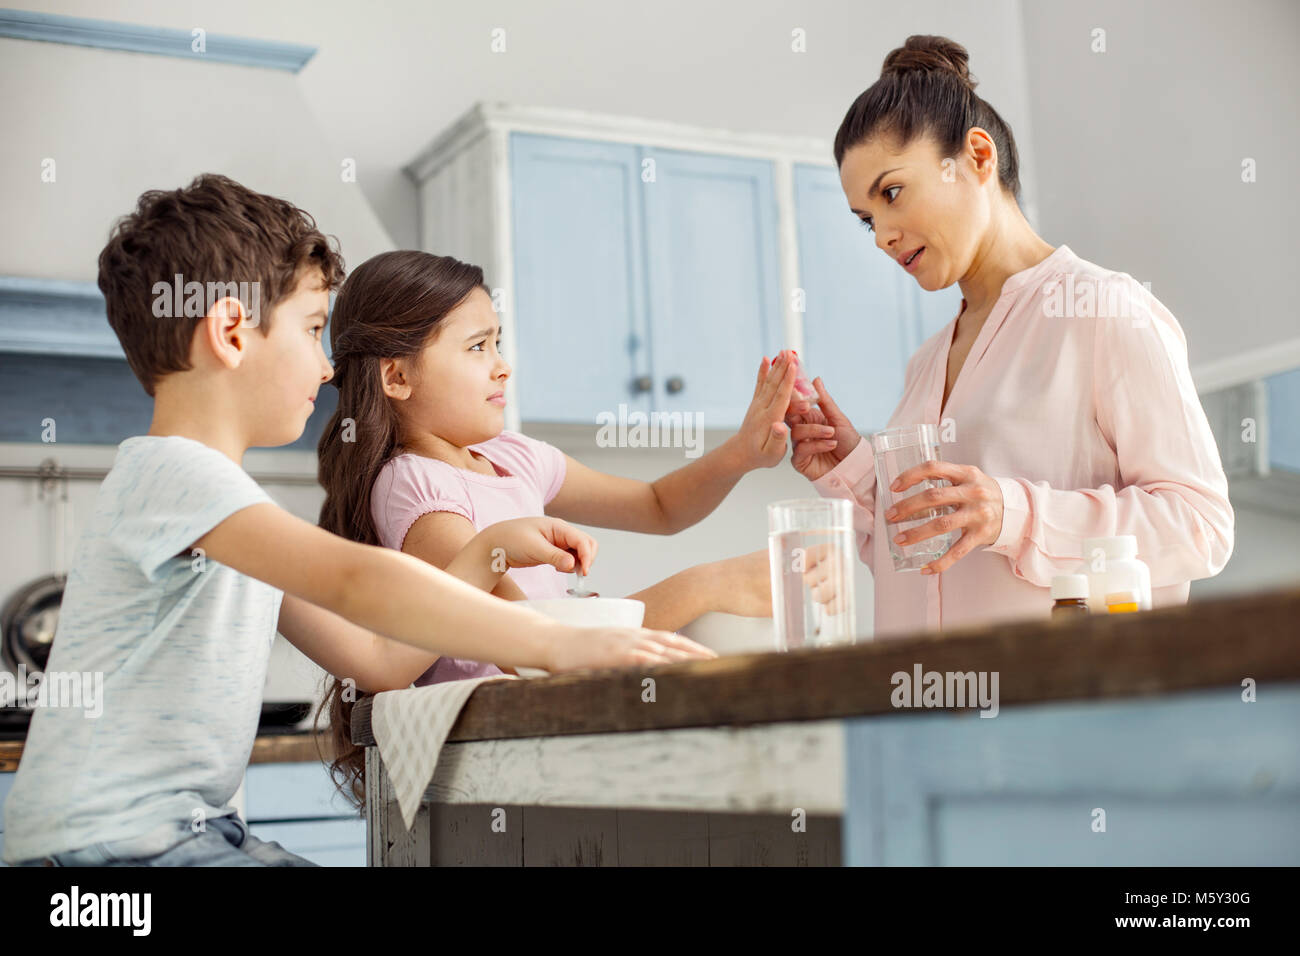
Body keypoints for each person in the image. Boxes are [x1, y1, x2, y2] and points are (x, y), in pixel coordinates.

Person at [2, 174, 713, 868]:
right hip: (107, 843)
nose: (323, 368)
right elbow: (353, 578)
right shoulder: (176, 474)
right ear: (230, 332)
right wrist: (556, 647)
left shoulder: (225, 512)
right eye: (313, 330)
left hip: (172, 834)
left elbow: (377, 658)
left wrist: (486, 553)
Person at [785, 35, 1234, 637]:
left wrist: (1011, 514)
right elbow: (931, 569)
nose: (882, 236)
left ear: (976, 156)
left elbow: (1199, 526)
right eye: (867, 220)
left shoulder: (1103, 309)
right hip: (927, 715)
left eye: (892, 193)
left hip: (1057, 716)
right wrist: (858, 473)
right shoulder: (926, 361)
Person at [313, 249, 795, 800]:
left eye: (497, 341)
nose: (502, 363)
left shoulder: (513, 457)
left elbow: (660, 506)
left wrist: (741, 453)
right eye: (476, 347)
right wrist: (708, 586)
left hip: (540, 738)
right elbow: (529, 645)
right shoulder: (415, 487)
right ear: (396, 376)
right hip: (485, 764)